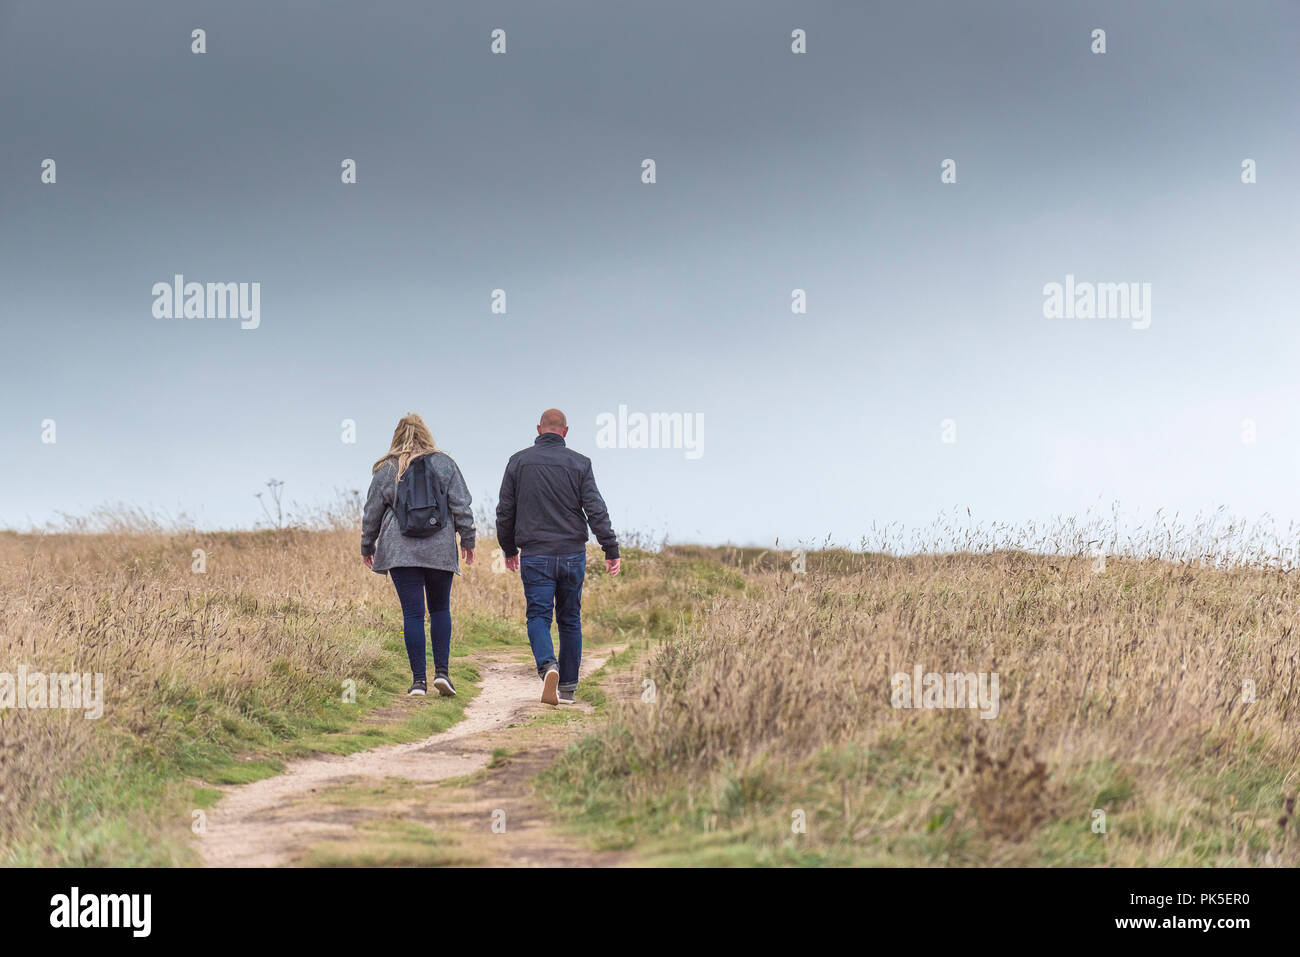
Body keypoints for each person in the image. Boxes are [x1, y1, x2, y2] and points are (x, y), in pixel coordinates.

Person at [496, 408, 620, 705]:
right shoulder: (580, 463)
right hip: (572, 554)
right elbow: (595, 509)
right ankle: (567, 688)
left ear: (539, 429)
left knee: (538, 615)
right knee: (570, 619)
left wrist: (508, 548)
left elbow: (504, 511)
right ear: (565, 431)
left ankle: (547, 665)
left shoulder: (518, 461)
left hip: (536, 553)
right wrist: (610, 548)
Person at [361, 413, 475, 697]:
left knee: (412, 615)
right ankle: (443, 674)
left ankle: (418, 683)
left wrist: (367, 545)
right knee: (440, 610)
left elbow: (371, 512)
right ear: (427, 434)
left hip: (401, 552)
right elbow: (462, 505)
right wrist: (468, 539)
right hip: (439, 551)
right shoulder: (445, 464)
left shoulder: (386, 469)